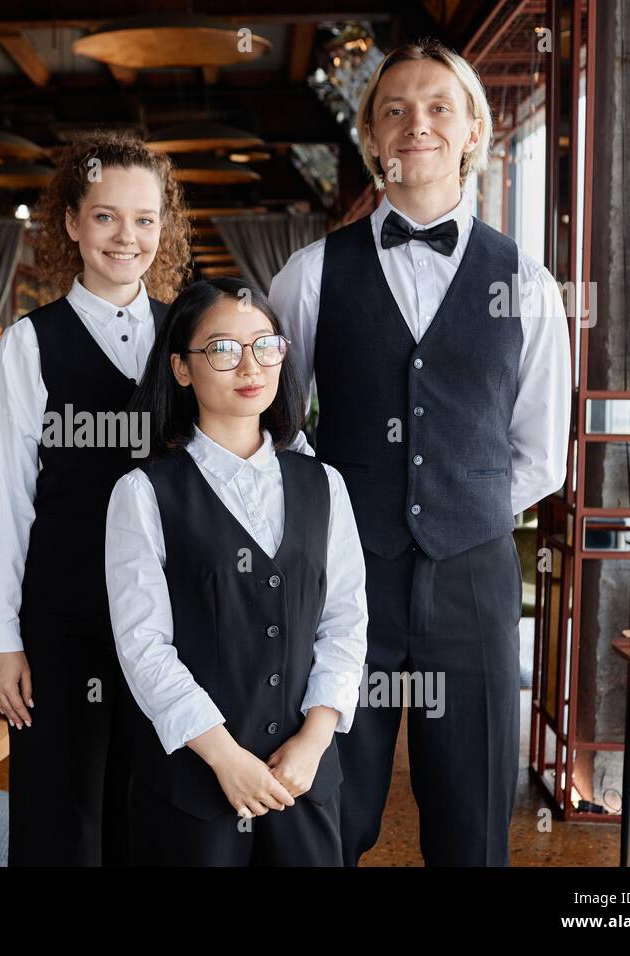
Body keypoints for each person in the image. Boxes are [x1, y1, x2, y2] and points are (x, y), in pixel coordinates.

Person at [268, 38, 571, 866]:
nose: (417, 125)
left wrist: (457, 508)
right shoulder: (310, 274)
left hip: (473, 582)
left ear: (475, 129)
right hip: (343, 579)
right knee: (330, 807)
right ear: (372, 137)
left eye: (440, 106)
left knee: (472, 821)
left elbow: (541, 452)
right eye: (395, 109)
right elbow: (274, 424)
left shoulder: (529, 281)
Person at [0, 131, 192, 865]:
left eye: (143, 219)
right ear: (70, 222)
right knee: (60, 816)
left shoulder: (188, 339)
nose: (125, 237)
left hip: (169, 619)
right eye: (104, 216)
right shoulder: (29, 345)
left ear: (163, 228)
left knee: (152, 805)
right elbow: (5, 501)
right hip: (62, 613)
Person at [105, 278, 368, 866]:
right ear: (181, 368)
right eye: (222, 349)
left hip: (303, 781)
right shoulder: (143, 493)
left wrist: (314, 740)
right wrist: (225, 758)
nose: (249, 364)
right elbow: (143, 647)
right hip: (193, 788)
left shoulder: (325, 486)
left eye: (265, 345)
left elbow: (346, 626)